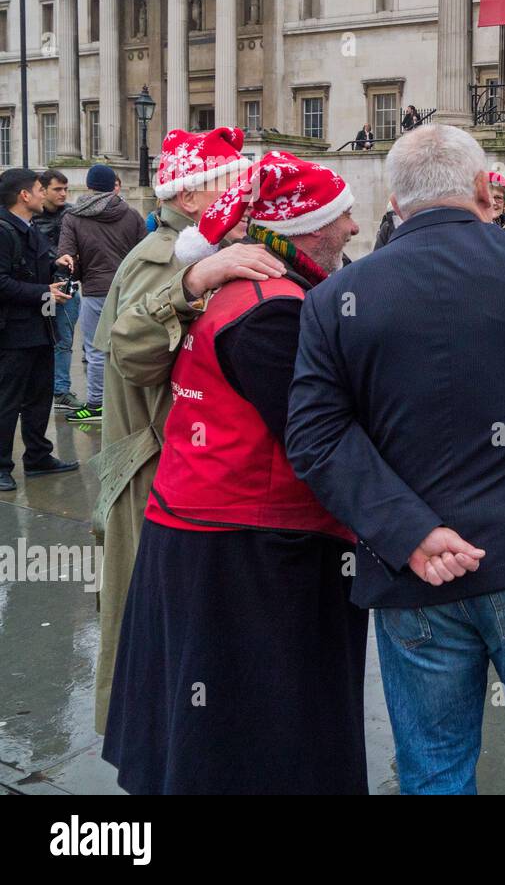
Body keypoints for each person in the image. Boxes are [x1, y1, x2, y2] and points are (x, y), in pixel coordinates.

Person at [285, 123, 505, 795]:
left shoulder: (332, 299)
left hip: (415, 571)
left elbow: (316, 436)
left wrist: (409, 532)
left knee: (435, 765)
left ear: (394, 199)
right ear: (482, 189)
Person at [102, 151, 368, 795]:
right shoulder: (266, 306)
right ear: (304, 225)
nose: (356, 227)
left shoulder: (257, 288)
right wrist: (412, 526)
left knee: (206, 719)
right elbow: (322, 441)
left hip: (204, 525)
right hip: (249, 541)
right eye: (343, 214)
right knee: (256, 728)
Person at [91, 126, 286, 734]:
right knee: (155, 636)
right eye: (232, 185)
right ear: (198, 197)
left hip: (162, 463)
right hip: (154, 470)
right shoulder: (166, 255)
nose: (244, 199)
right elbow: (132, 350)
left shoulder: (181, 245)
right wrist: (195, 281)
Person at [0, 168, 80, 493]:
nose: (44, 193)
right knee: (8, 400)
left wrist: (56, 265)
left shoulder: (28, 228)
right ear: (24, 196)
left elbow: (33, 269)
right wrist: (45, 291)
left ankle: (38, 456)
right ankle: (2, 466)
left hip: (40, 327)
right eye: (38, 188)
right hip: (12, 333)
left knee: (39, 396)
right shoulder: (4, 230)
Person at [57, 165, 148, 423]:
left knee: (96, 351)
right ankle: (132, 402)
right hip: (129, 291)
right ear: (113, 186)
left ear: (89, 186)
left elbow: (66, 256)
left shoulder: (74, 217)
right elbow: (144, 253)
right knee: (130, 347)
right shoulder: (131, 215)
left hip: (96, 291)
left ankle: (97, 404)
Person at [34, 170, 79, 410]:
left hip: (67, 288)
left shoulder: (72, 214)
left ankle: (60, 391)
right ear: (43, 190)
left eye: (65, 189)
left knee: (64, 339)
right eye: (57, 189)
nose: (63, 193)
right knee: (42, 338)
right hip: (42, 290)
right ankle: (39, 389)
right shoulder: (32, 216)